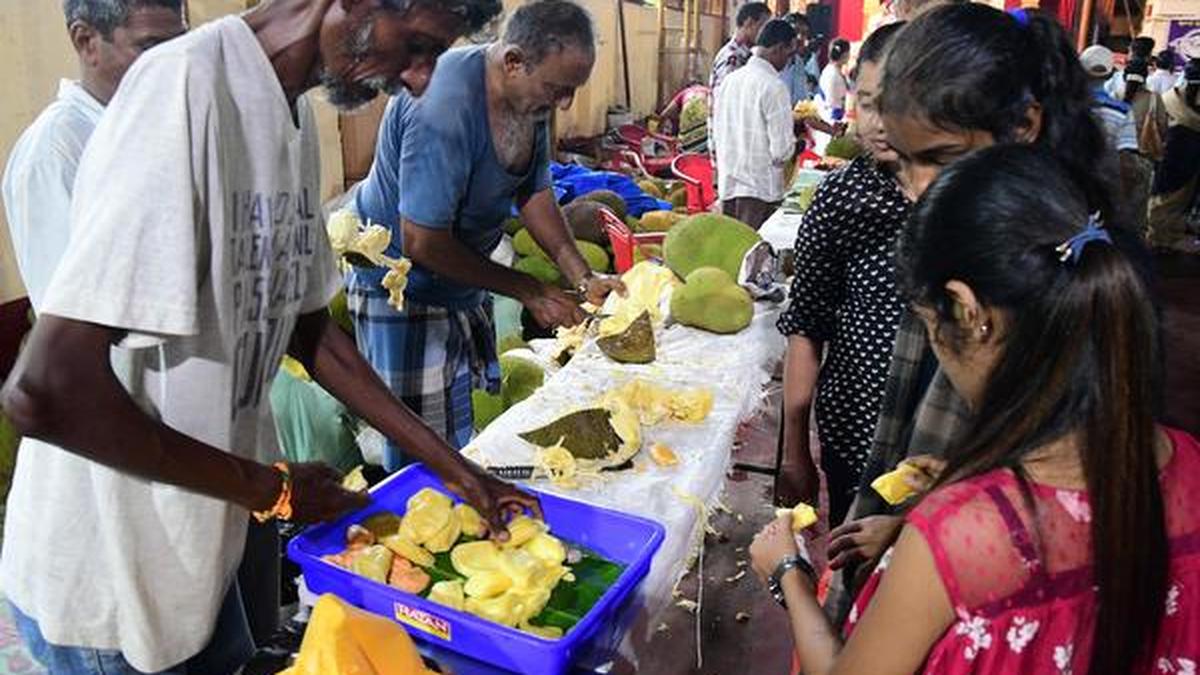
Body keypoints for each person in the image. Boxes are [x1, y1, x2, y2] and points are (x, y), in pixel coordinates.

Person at [0, 1, 544, 673]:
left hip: (194, 550)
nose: (418, 79)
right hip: (110, 575)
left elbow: (310, 329)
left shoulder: (288, 112)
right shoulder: (182, 90)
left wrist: (462, 472)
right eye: (418, 46)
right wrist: (274, 490)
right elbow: (44, 392)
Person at [752, 142, 1198, 675]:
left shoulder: (959, 535)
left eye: (927, 323)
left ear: (969, 311)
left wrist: (788, 575)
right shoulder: (1189, 459)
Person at [829, 4, 1113, 603]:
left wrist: (928, 522)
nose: (918, 189)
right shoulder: (950, 233)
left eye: (942, 159)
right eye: (905, 162)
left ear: (1023, 128)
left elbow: (1063, 488)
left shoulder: (1064, 272)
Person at [350, 0, 622, 469]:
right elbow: (423, 241)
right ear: (514, 61)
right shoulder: (442, 105)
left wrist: (582, 276)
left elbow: (534, 194)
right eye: (558, 89)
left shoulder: (527, 102)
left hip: (462, 279)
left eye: (572, 91)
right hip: (404, 288)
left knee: (458, 433)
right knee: (420, 452)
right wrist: (531, 290)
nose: (564, 105)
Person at [775, 22, 910, 525]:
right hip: (854, 432)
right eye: (868, 102)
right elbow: (806, 324)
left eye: (896, 104)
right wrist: (794, 451)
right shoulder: (841, 198)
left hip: (948, 448)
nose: (877, 123)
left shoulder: (972, 201)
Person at [2, 0, 186, 311]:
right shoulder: (53, 152)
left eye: (181, 45)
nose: (175, 65)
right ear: (86, 42)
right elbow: (69, 315)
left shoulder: (170, 125)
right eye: (150, 47)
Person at [712, 19, 798, 229]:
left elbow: (716, 132)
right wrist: (796, 147)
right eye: (789, 55)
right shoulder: (774, 87)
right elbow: (782, 151)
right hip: (761, 193)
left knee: (733, 253)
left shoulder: (730, 81)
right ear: (778, 49)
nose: (788, 62)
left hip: (729, 187)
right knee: (756, 257)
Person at [1147, 58, 1200, 254]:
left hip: (1169, 154)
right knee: (1178, 200)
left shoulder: (1170, 98)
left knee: (1162, 198)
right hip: (1190, 158)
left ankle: (1158, 236)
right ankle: (1166, 237)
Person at [708, 1, 771, 156]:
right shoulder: (733, 58)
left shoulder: (747, 56)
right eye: (763, 26)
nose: (766, 35)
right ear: (749, 23)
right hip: (730, 145)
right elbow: (728, 107)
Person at [780, 13, 819, 106]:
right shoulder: (773, 60)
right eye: (795, 32)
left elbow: (802, 98)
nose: (800, 38)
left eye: (804, 34)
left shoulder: (799, 62)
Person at [818, 38, 851, 121]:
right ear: (845, 55)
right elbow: (833, 104)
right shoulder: (832, 75)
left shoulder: (833, 70)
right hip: (833, 118)